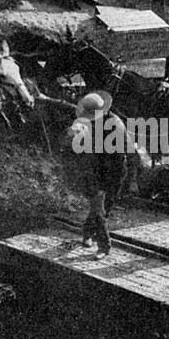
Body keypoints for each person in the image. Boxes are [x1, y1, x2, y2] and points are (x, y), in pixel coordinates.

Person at [61, 92, 145, 259]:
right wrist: (71, 136)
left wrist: (133, 179)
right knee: (98, 208)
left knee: (103, 209)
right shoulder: (85, 122)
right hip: (93, 170)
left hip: (114, 171)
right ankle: (104, 247)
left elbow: (131, 153)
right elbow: (71, 143)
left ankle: (87, 233)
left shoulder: (116, 125)